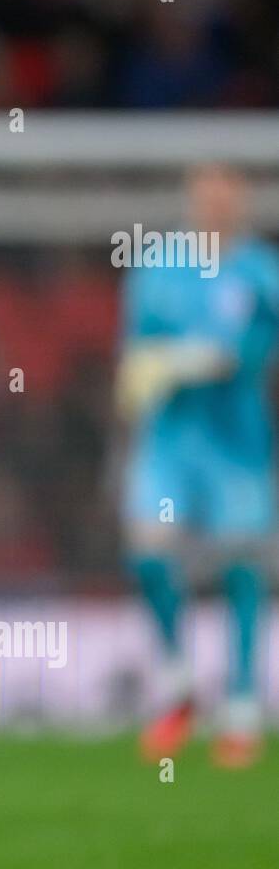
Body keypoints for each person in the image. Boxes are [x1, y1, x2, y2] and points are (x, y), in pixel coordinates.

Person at [117, 165, 279, 768]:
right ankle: (180, 681)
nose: (213, 210)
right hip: (171, 439)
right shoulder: (159, 267)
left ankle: (240, 703)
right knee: (148, 551)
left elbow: (261, 345)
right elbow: (135, 355)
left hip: (237, 442)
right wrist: (152, 372)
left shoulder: (262, 271)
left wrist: (231, 357)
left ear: (240, 205)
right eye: (204, 199)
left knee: (242, 561)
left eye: (224, 200)